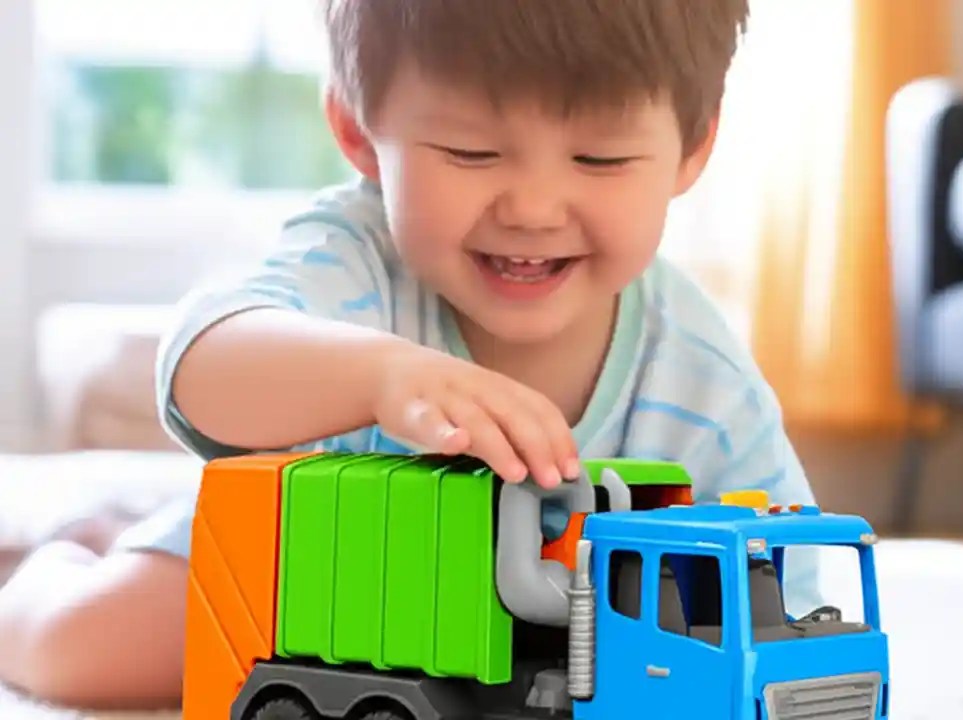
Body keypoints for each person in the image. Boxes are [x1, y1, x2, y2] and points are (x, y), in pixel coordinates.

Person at [0, 0, 828, 710]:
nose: (535, 207)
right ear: (360, 133)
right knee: (82, 652)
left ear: (692, 150)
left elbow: (791, 585)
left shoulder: (700, 373)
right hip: (304, 572)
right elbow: (201, 365)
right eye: (471, 153)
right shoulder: (357, 258)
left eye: (599, 159)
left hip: (535, 638)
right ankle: (69, 546)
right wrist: (380, 376)